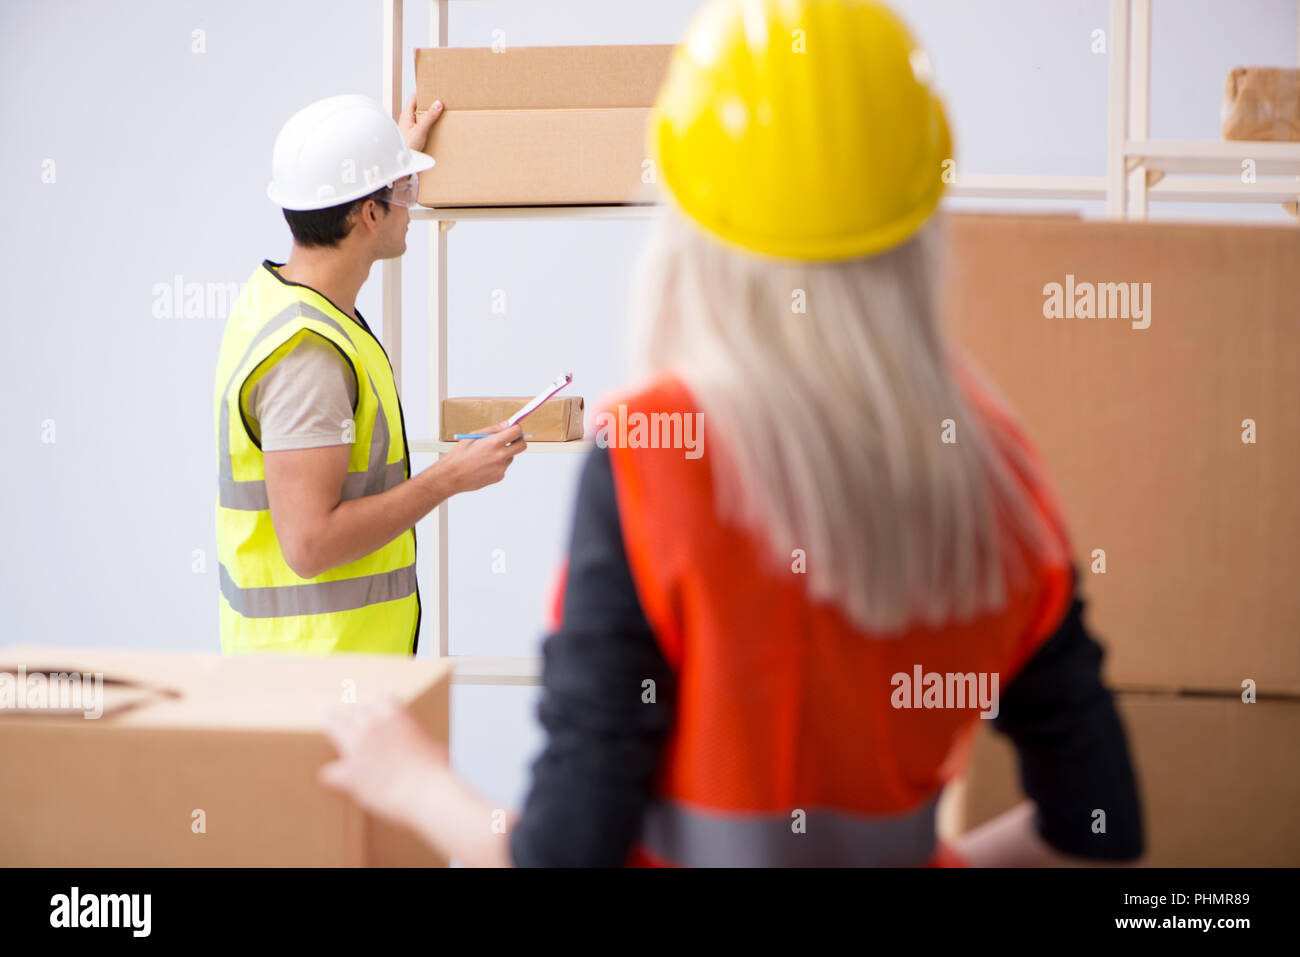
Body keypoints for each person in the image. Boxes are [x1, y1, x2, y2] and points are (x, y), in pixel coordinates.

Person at [318, 0, 1144, 866]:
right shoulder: (989, 464)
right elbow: (1100, 829)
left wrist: (412, 781)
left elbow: (566, 857)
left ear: (693, 221)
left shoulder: (656, 457)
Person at [215, 94, 525, 655]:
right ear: (369, 214)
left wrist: (387, 163)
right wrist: (448, 478)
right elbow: (310, 544)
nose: (412, 205)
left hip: (330, 679)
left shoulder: (289, 300)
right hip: (313, 691)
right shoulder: (306, 356)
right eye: (402, 193)